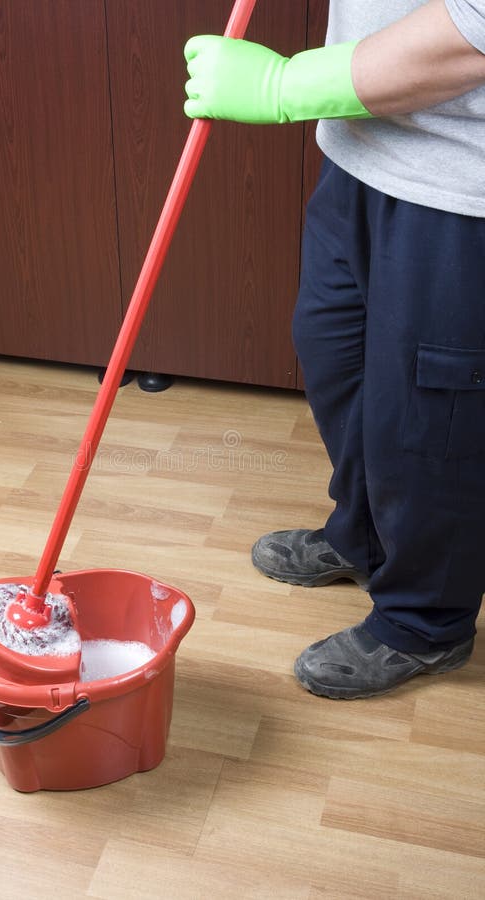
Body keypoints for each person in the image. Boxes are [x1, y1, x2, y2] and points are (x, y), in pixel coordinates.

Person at [183, 0, 485, 699]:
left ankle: (426, 622)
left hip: (461, 186)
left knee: (429, 422)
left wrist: (282, 85)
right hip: (358, 143)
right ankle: (368, 538)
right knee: (335, 356)